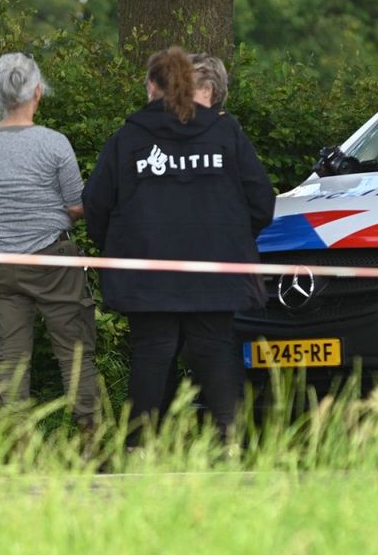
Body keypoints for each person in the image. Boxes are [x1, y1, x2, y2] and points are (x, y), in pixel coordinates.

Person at [83, 47, 275, 448]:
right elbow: (262, 202)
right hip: (216, 270)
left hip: (148, 273)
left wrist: (118, 247)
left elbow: (96, 204)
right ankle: (231, 444)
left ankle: (138, 449)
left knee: (152, 355)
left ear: (153, 86)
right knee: (217, 352)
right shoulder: (225, 133)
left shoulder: (128, 138)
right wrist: (232, 239)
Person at [0, 53, 100, 431]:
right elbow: (77, 204)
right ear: (37, 92)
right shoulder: (54, 144)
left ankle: (18, 448)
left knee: (11, 359)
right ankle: (90, 441)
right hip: (53, 261)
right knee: (76, 355)